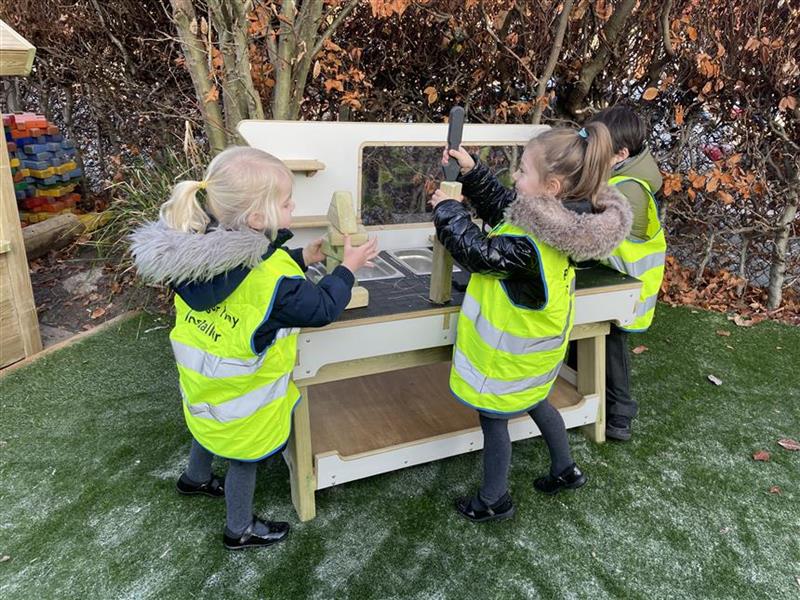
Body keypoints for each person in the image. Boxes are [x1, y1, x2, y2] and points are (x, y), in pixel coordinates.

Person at [130, 146, 378, 548]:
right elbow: (322, 307)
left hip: (202, 388)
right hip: (246, 401)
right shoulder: (274, 280)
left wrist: (302, 256)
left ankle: (194, 479)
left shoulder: (193, 255)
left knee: (207, 428)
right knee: (243, 459)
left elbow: (248, 270)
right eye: (287, 201)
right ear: (259, 218)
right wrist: (347, 269)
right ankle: (238, 528)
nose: (294, 204)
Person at [430, 123, 632, 522]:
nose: (515, 177)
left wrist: (448, 211)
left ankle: (493, 499)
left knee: (494, 420)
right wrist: (472, 172)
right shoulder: (561, 223)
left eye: (522, 171)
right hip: (540, 353)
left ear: (552, 187)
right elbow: (507, 205)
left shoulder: (528, 242)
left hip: (508, 360)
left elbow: (479, 253)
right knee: (540, 401)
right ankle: (565, 469)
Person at [587, 106, 667, 441]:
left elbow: (592, 232)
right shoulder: (622, 172)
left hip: (629, 283)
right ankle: (588, 392)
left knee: (611, 347)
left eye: (597, 150)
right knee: (597, 340)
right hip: (615, 274)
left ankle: (619, 415)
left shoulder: (628, 188)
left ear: (620, 154)